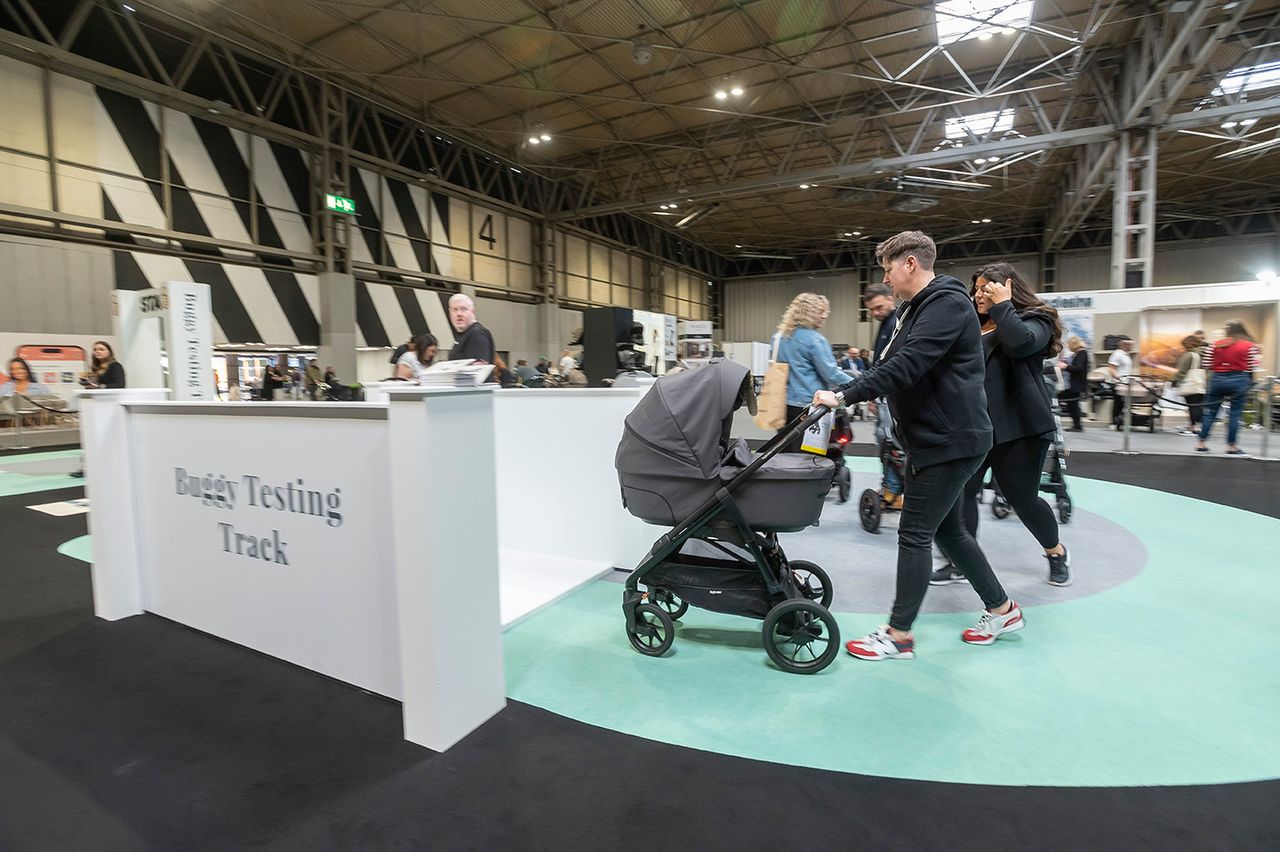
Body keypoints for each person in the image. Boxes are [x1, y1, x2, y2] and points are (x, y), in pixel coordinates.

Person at [813, 230, 1021, 661]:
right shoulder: (914, 309)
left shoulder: (944, 304)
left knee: (913, 534)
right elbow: (889, 364)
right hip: (937, 439)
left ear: (910, 263)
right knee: (949, 530)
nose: (885, 279)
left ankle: (899, 635)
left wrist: (846, 395)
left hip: (951, 440)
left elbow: (908, 366)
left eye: (888, 268)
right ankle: (1002, 609)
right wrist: (853, 388)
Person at [929, 263, 1071, 588]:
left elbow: (1021, 344)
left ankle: (1055, 551)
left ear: (1006, 287)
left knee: (1023, 500)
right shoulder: (972, 324)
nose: (978, 294)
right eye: (976, 289)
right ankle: (962, 562)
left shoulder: (1037, 320)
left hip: (1019, 429)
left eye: (985, 288)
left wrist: (1003, 305)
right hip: (973, 427)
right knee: (962, 494)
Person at [772, 293, 848, 453]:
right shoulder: (815, 339)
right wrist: (862, 382)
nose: (824, 316)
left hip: (783, 406)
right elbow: (831, 374)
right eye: (820, 312)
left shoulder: (778, 338)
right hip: (810, 407)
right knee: (810, 456)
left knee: (784, 452)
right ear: (809, 312)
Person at [1196, 319, 1262, 456]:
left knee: (1210, 413)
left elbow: (1206, 364)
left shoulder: (1214, 345)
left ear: (1227, 331)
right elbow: (1253, 366)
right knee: (1234, 414)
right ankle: (1232, 446)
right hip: (1239, 379)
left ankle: (1201, 443)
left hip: (1217, 379)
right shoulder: (1250, 346)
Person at [864, 283, 903, 503]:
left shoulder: (897, 321)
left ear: (891, 298)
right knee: (884, 440)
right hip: (882, 395)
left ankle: (893, 489)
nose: (874, 313)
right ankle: (892, 487)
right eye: (871, 310)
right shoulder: (886, 323)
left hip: (892, 395)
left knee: (890, 442)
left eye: (878, 307)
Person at [1172, 334, 1207, 436]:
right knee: (1198, 405)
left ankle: (1193, 427)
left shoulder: (1189, 355)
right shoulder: (1204, 353)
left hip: (1190, 383)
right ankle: (1198, 426)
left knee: (1191, 405)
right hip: (1201, 382)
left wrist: (1174, 380)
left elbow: (1182, 371)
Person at [447, 293, 495, 363]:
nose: (459, 314)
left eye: (463, 309)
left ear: (472, 312)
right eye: (455, 310)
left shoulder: (477, 333)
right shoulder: (463, 334)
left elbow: (478, 369)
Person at [1061, 336, 1089, 431]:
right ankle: (1076, 425)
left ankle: (1077, 426)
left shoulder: (1082, 353)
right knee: (1072, 405)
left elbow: (1078, 368)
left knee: (1074, 405)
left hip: (1075, 384)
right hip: (1073, 384)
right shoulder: (1079, 354)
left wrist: (1065, 366)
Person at [1106, 336, 1133, 427]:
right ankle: (1114, 422)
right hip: (1118, 383)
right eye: (1129, 345)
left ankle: (1120, 422)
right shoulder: (1117, 354)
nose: (1131, 346)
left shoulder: (1126, 355)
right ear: (1124, 345)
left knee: (1122, 404)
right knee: (1117, 404)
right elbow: (1111, 368)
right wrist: (1119, 378)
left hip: (1125, 383)